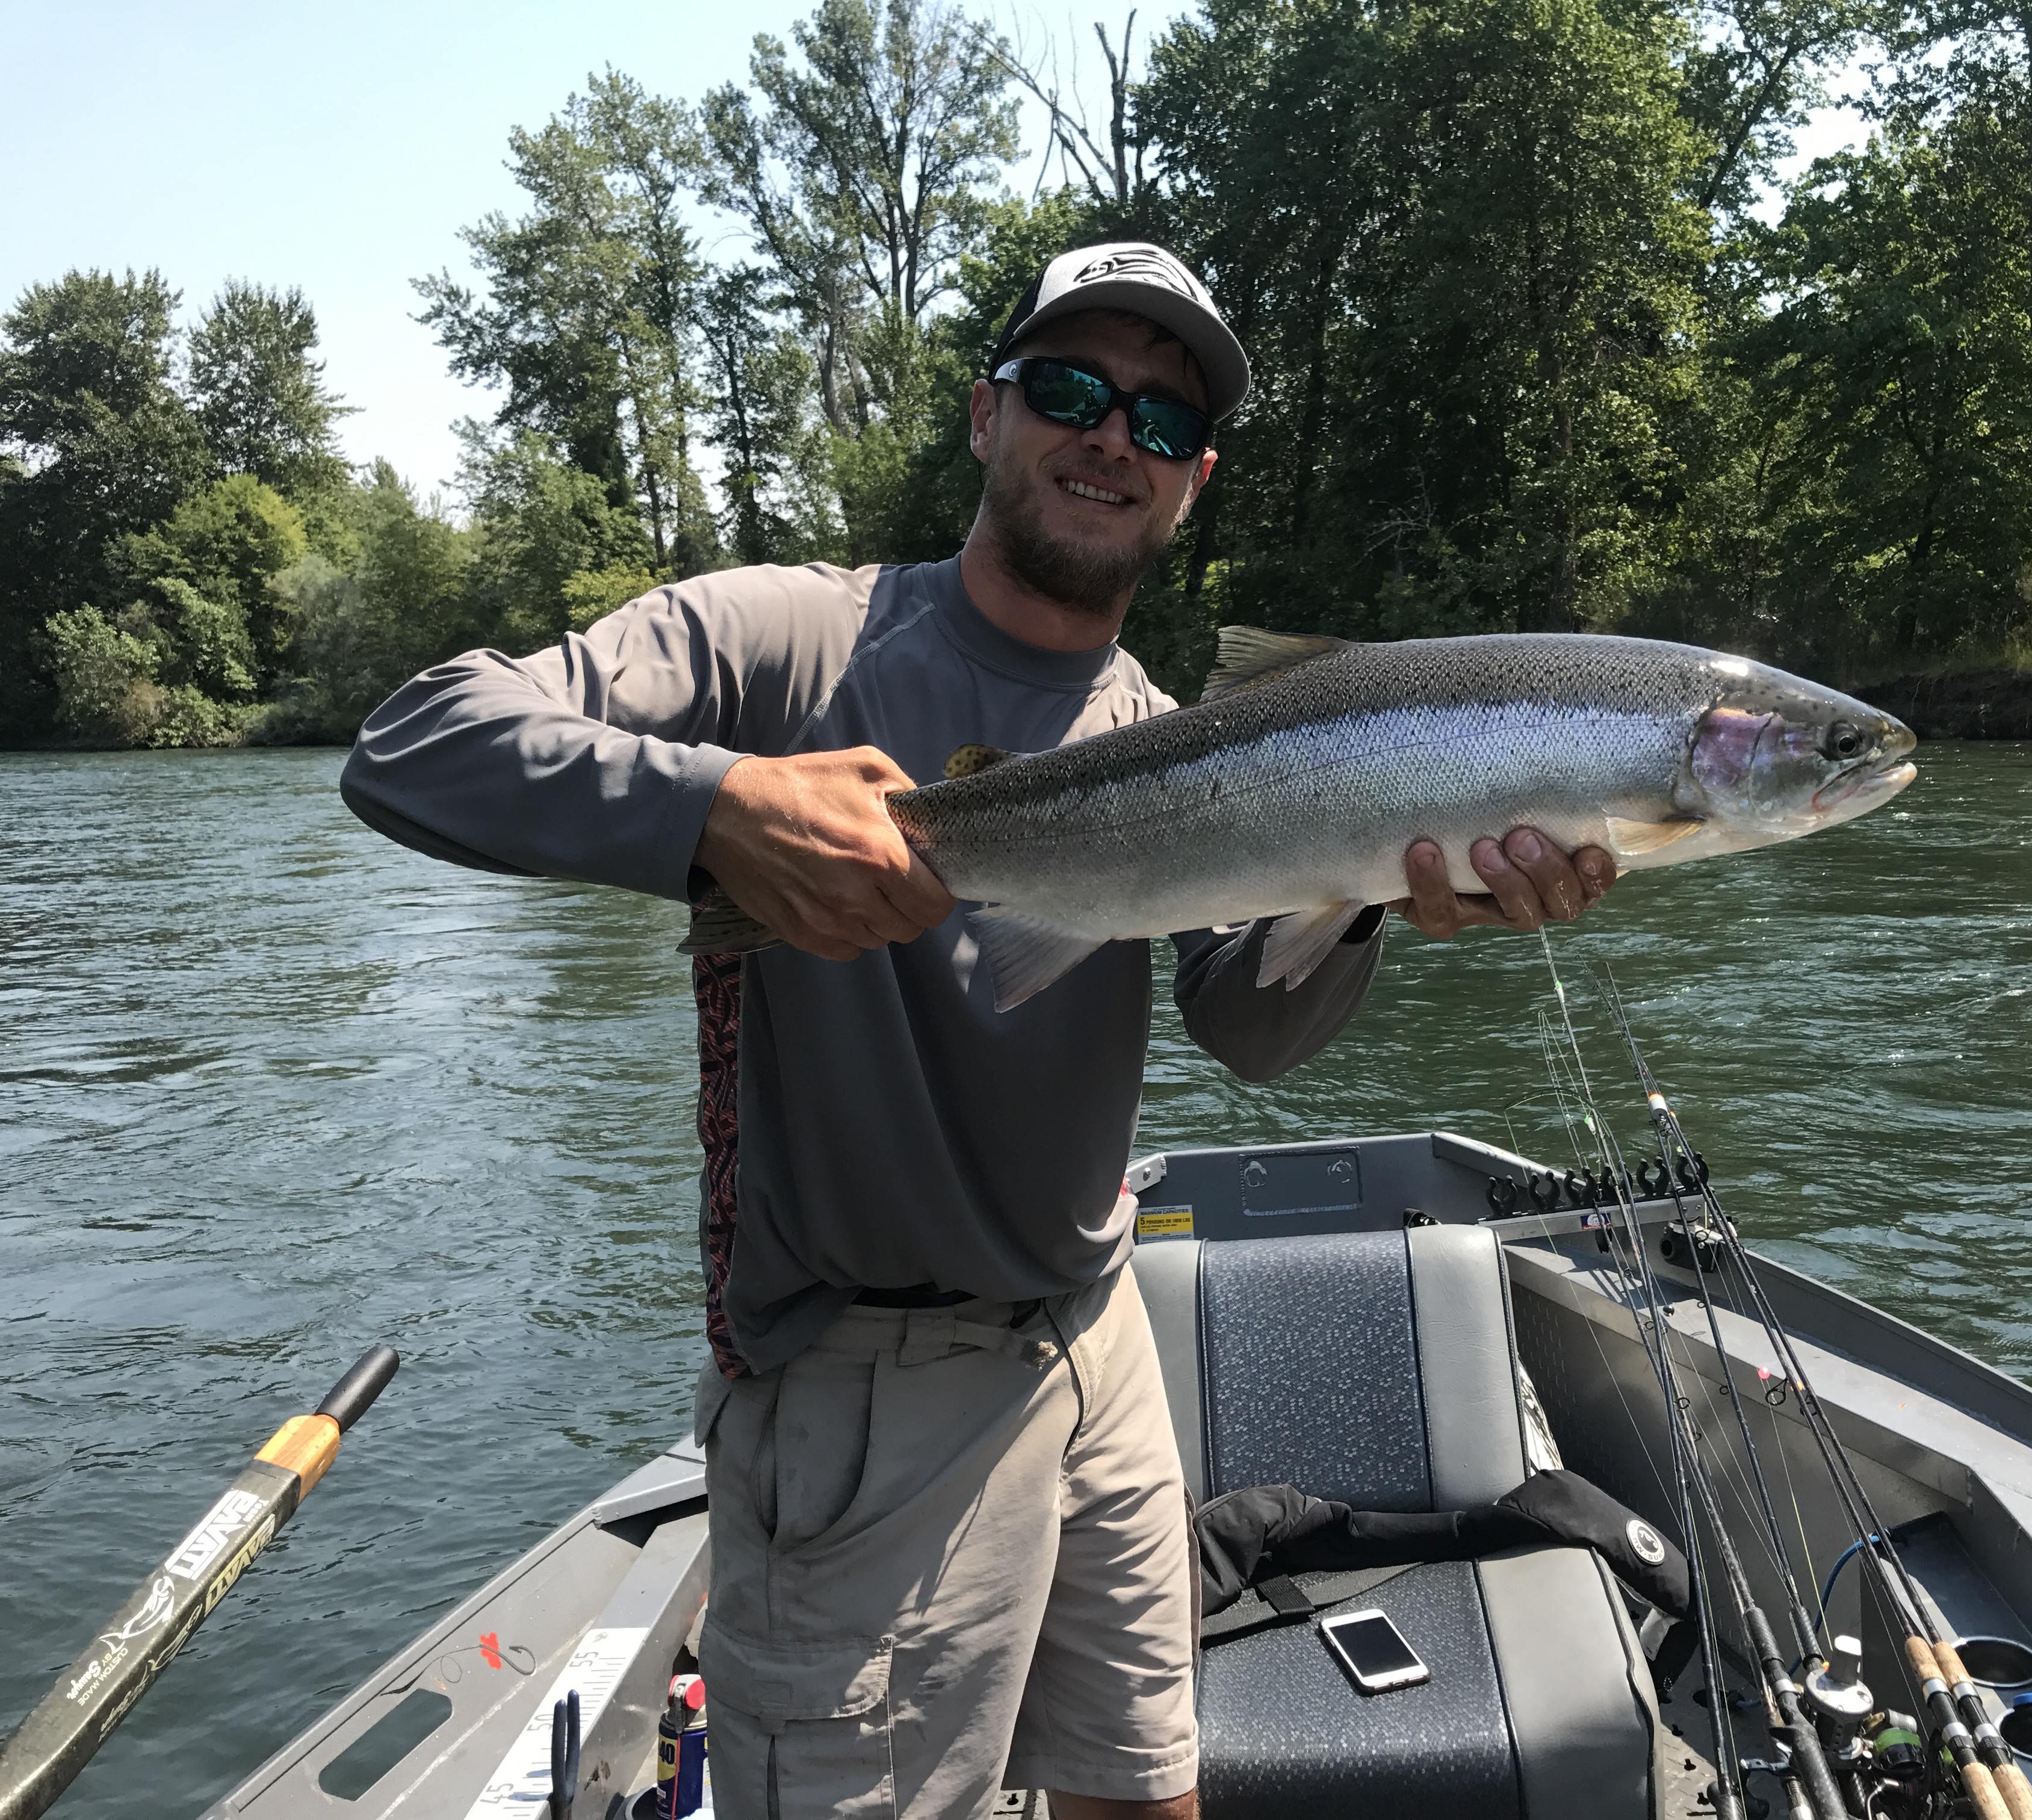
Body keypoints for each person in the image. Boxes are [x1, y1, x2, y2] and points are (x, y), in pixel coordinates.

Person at [341, 240, 1617, 1820]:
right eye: (1073, 389)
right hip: (864, 1392)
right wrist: (718, 804)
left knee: (1148, 1797)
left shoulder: (1169, 727)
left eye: (1160, 422)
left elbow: (1252, 1035)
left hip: (1098, 1342)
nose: (1112, 436)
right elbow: (415, 742)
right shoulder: (783, 639)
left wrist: (1367, 895)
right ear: (983, 415)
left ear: (1192, 484)